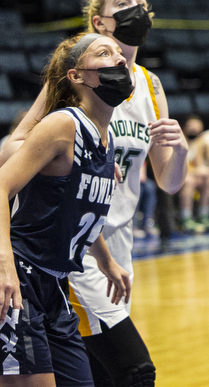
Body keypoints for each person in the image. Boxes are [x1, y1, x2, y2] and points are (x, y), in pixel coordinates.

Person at [0, 0, 187, 386]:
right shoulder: (74, 91)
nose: (136, 9)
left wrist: (182, 151)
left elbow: (169, 182)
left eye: (141, 1)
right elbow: (12, 149)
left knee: (93, 377)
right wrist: (79, 159)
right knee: (135, 372)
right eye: (122, 3)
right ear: (98, 21)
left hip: (112, 250)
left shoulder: (151, 87)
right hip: (65, 257)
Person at [0, 32, 131, 385]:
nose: (119, 58)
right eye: (105, 53)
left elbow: (80, 211)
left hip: (55, 286)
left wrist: (106, 261)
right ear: (76, 76)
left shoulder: (108, 140)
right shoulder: (63, 124)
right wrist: (4, 267)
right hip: (20, 280)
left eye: (120, 53)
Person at [179, 116, 209, 233]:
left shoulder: (198, 143)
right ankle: (185, 218)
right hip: (178, 176)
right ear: (184, 128)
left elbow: (198, 164)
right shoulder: (179, 142)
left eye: (196, 127)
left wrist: (204, 171)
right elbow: (179, 167)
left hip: (192, 174)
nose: (193, 130)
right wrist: (196, 172)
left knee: (208, 179)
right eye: (190, 127)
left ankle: (203, 215)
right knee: (189, 181)